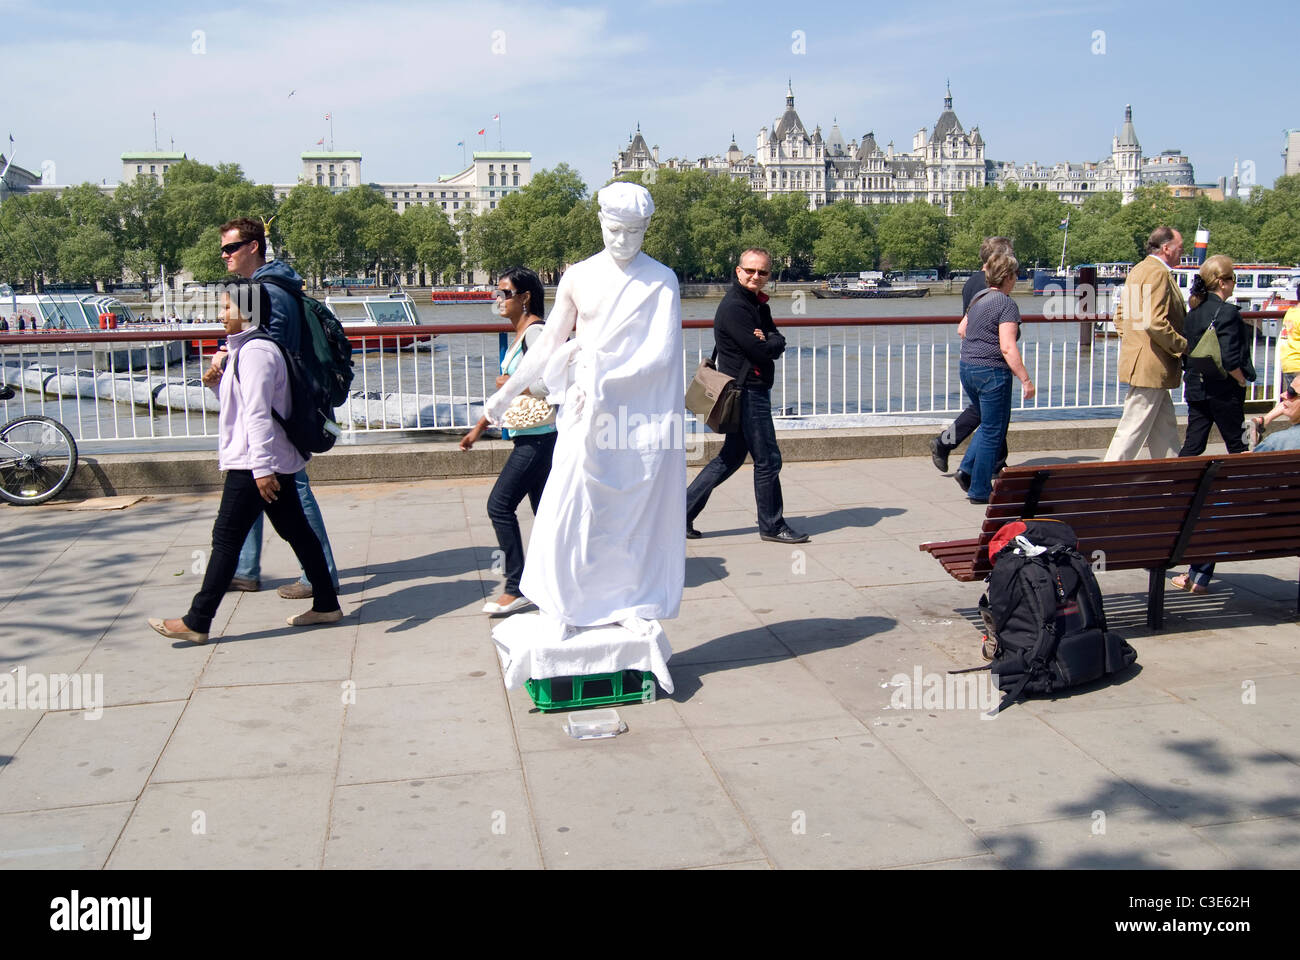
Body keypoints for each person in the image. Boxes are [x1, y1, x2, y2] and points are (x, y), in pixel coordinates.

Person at [482, 182, 684, 690]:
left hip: (634, 419)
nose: (624, 241)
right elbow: (549, 342)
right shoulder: (579, 276)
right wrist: (504, 399)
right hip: (583, 413)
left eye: (635, 232)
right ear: (600, 224)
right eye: (616, 230)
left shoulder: (662, 280)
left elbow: (661, 355)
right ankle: (564, 600)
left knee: (631, 513)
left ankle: (630, 600)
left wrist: (601, 375)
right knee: (570, 506)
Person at [149, 279, 342, 643]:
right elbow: (242, 406)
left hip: (254, 463)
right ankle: (327, 604)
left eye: (226, 308)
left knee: (226, 538)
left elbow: (256, 415)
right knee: (297, 532)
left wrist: (261, 469)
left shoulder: (256, 352)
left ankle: (198, 619)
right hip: (267, 460)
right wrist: (215, 383)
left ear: (247, 311)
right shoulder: (247, 349)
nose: (220, 315)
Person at [210, 217, 340, 599]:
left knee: (291, 490)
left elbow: (268, 352)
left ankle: (322, 578)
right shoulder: (263, 286)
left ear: (253, 246)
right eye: (222, 249)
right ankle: (248, 569)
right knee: (254, 482)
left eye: (231, 248)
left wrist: (235, 360)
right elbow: (243, 335)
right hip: (276, 417)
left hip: (279, 419)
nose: (225, 255)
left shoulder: (269, 290)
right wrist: (225, 353)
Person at [685, 247, 809, 543]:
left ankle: (680, 512)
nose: (756, 276)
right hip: (748, 392)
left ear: (769, 274)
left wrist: (769, 339)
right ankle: (772, 525)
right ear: (738, 271)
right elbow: (761, 349)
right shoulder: (736, 308)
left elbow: (776, 339)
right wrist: (768, 340)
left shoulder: (757, 305)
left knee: (730, 457)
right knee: (768, 459)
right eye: (750, 270)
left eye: (762, 271)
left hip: (749, 390)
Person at [460, 266, 556, 616]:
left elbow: (554, 383)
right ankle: (560, 578)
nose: (498, 300)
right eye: (497, 293)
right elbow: (507, 392)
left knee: (499, 506)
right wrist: (479, 427)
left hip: (540, 439)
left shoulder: (536, 334)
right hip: (531, 437)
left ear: (525, 297)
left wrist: (513, 382)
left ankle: (516, 587)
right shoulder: (521, 334)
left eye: (505, 293)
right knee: (547, 514)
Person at [1173, 372, 1299, 594]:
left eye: (1291, 392)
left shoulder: (1281, 442)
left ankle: (1197, 578)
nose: (1282, 394)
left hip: (1273, 528)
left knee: (1213, 506)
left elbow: (1245, 482)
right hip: (1291, 525)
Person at [955, 251, 1035, 503]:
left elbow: (962, 329)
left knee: (987, 424)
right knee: (993, 429)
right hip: (991, 371)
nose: (1017, 279)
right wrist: (1025, 379)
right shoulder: (1006, 304)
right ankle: (980, 489)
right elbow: (1007, 347)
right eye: (1016, 275)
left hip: (967, 367)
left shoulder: (979, 297)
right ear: (1008, 277)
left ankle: (966, 469)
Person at [931, 236, 1014, 474]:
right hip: (989, 357)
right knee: (993, 415)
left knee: (980, 411)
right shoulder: (989, 285)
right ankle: (992, 465)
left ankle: (947, 445)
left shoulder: (972, 282)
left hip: (973, 355)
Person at [1104, 227, 1188, 461]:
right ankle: (1105, 480)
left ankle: (1176, 478)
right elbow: (1155, 321)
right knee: (1132, 429)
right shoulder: (1159, 273)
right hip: (1154, 363)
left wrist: (1134, 342)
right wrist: (1182, 346)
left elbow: (1122, 316)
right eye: (1180, 248)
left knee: (1165, 430)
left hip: (1143, 361)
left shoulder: (1139, 270)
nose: (1182, 252)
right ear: (1167, 248)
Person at [1178, 255, 1254, 457]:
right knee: (1239, 446)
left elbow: (1187, 350)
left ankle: (1179, 484)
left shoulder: (1193, 312)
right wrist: (1241, 381)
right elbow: (1230, 360)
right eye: (1233, 278)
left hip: (1196, 388)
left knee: (1193, 446)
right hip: (1224, 391)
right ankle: (1247, 486)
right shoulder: (1228, 313)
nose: (1234, 284)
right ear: (1222, 282)